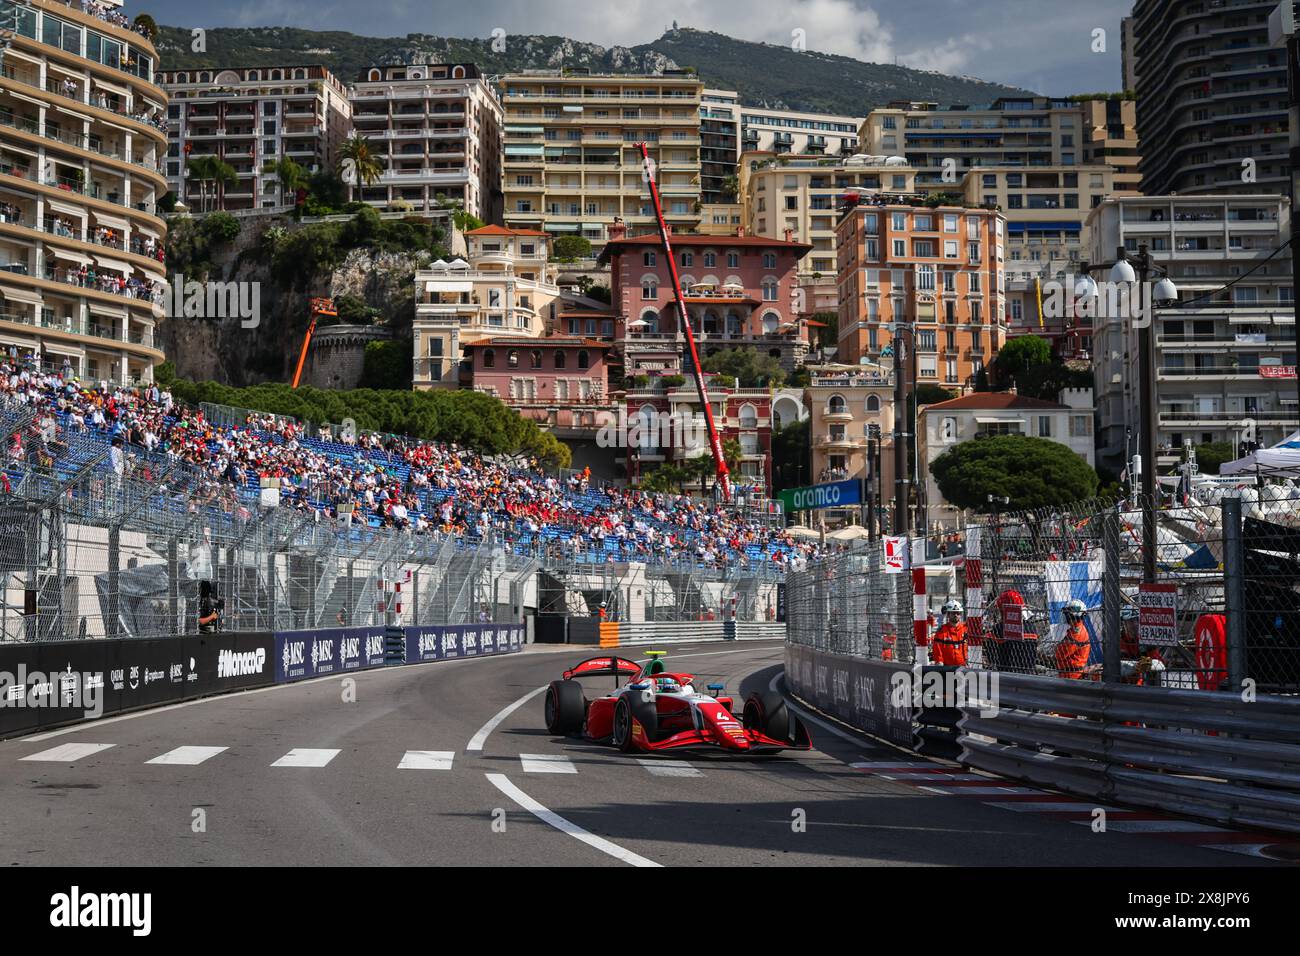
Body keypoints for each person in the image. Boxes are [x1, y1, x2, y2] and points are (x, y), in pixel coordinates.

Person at [1055, 598, 1093, 679]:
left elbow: (1060, 654)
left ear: (1072, 616)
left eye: (1067, 614)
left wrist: (1056, 648)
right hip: (1069, 672)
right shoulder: (1074, 630)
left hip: (1072, 674)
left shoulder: (1076, 633)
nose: (1065, 616)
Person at [931, 600, 967, 666]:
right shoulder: (941, 632)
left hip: (964, 668)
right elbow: (937, 651)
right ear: (948, 614)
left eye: (958, 613)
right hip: (947, 668)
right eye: (953, 613)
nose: (956, 615)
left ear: (961, 614)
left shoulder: (965, 629)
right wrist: (940, 664)